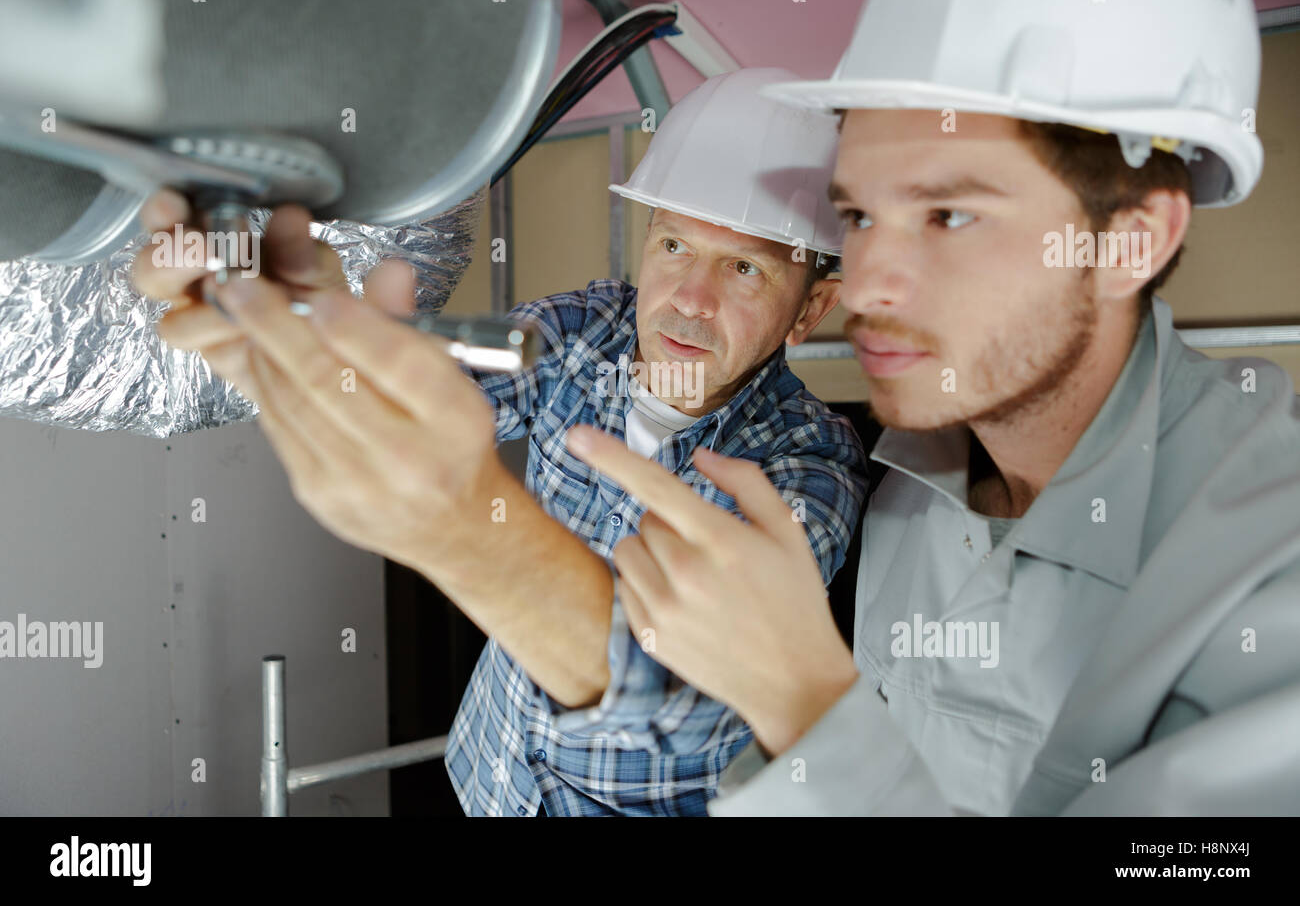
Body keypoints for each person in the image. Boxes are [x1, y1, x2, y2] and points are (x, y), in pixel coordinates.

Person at [565, 0, 1300, 815]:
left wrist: (803, 704)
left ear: (1131, 241)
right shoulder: (909, 488)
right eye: (861, 215)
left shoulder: (1269, 565)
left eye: (949, 214)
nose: (869, 280)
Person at [131, 67, 869, 816]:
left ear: (810, 310)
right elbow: (431, 386)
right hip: (490, 777)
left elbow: (693, 688)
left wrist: (458, 526)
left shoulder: (807, 469)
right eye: (674, 245)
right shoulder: (587, 330)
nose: (689, 299)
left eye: (743, 268)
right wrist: (305, 325)